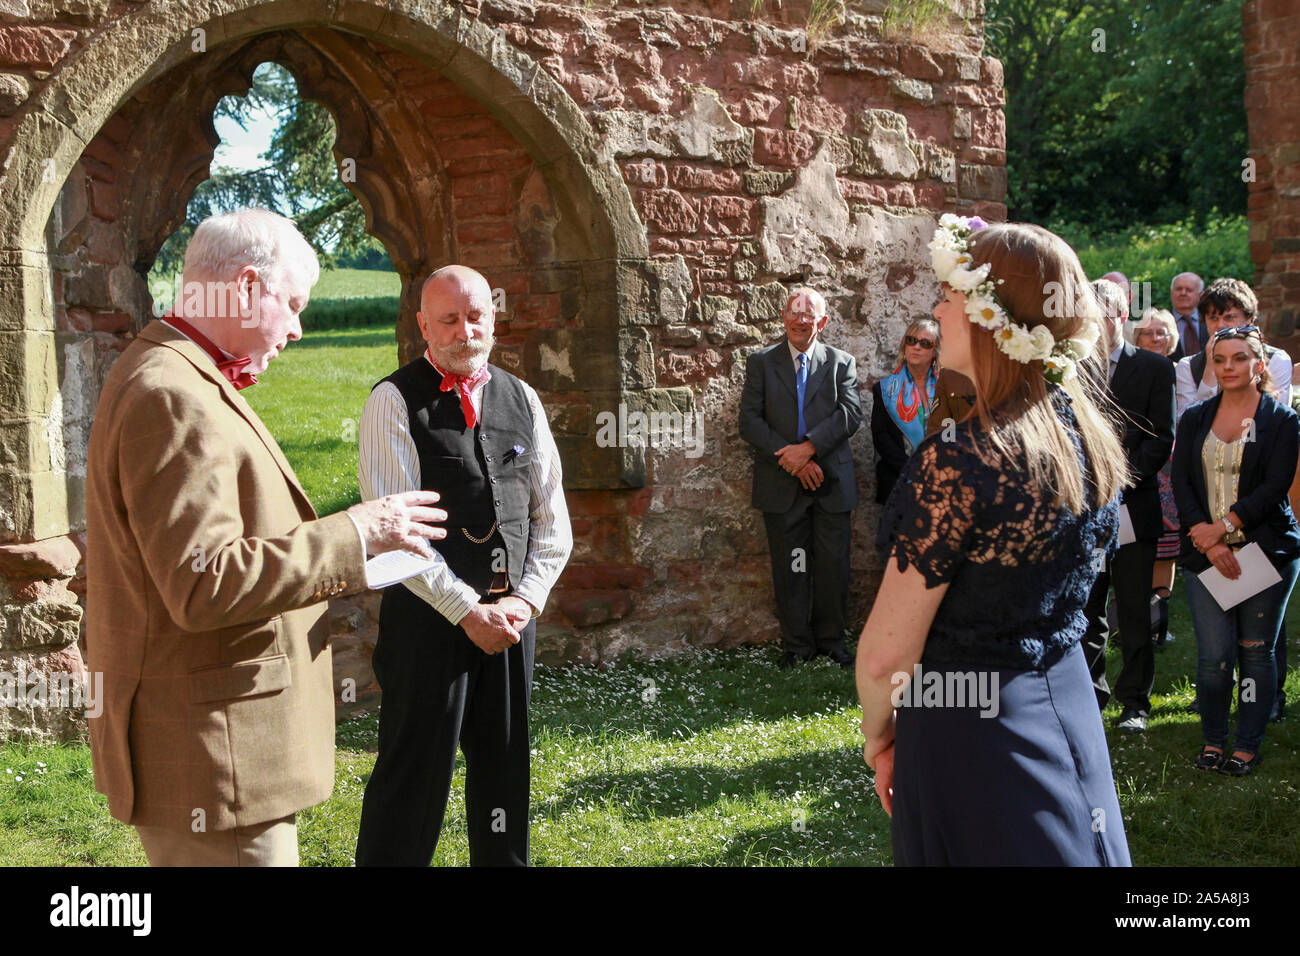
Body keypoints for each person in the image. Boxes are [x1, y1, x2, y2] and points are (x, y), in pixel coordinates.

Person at [85, 209, 447, 866]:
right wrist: (354, 535)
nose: (299, 329)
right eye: (294, 305)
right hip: (216, 770)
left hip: (219, 761)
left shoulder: (178, 371)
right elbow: (203, 584)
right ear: (248, 288)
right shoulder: (172, 393)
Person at [858, 216, 1131, 865]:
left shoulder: (958, 463)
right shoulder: (1083, 439)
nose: (937, 311)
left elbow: (882, 660)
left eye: (950, 297)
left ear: (990, 320)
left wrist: (878, 736)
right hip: (1063, 699)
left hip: (970, 729)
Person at [354, 265, 572, 866]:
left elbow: (551, 520)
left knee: (505, 769)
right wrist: (464, 609)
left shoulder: (522, 398)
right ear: (424, 324)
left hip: (510, 623)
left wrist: (523, 602)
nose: (463, 330)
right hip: (427, 624)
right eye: (448, 319)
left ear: (492, 318)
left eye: (475, 316)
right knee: (413, 773)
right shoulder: (392, 401)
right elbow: (395, 538)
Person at [1172, 326, 1300, 775]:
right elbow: (1182, 481)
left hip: (1266, 551)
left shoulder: (1282, 421)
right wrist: (1205, 538)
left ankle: (1247, 744)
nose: (1229, 367)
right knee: (1213, 657)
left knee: (1254, 648)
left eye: (1240, 358)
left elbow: (1274, 486)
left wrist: (1225, 528)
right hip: (1204, 552)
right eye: (1220, 359)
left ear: (1259, 365)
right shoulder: (1194, 418)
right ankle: (1213, 740)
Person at [739, 287, 862, 669]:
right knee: (792, 566)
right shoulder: (761, 363)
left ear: (821, 323)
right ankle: (797, 646)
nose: (799, 320)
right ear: (782, 316)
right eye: (793, 314)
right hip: (782, 482)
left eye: (808, 316)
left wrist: (807, 449)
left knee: (831, 566)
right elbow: (749, 421)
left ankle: (831, 641)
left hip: (830, 482)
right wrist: (790, 458)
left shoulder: (842, 363)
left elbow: (850, 414)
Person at [1079, 282, 1176, 733]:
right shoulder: (1072, 368)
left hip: (1133, 506)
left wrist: (1120, 480)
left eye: (1100, 315)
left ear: (1120, 317)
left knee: (1135, 608)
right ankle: (1091, 698)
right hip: (1086, 508)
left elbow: (1162, 436)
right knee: (1088, 607)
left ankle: (1135, 702)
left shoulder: (1155, 369)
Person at [1126, 308, 1182, 646]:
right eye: (1148, 333)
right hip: (1141, 467)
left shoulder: (1182, 372)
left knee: (1167, 547)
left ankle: (1160, 622)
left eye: (1161, 332)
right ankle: (1129, 616)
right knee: (1132, 547)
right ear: (1136, 338)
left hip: (1172, 467)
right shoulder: (1126, 372)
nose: (1155, 338)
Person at [1175, 278, 1292, 420]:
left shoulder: (1276, 359)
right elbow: (1186, 423)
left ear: (1249, 319)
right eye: (1213, 318)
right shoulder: (1187, 366)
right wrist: (1210, 370)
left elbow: (1276, 418)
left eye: (1229, 317)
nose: (1220, 325)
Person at [871, 318, 940, 504]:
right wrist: (912, 470)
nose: (916, 347)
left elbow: (953, 432)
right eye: (911, 340)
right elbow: (881, 437)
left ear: (935, 352)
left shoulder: (948, 390)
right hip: (898, 482)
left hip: (941, 481)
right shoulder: (885, 389)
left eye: (925, 343)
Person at [1168, 272, 1206, 363]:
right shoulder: (1161, 321)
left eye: (1189, 290)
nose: (1183, 293)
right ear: (1171, 292)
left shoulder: (1211, 319)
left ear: (1201, 295)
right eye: (1178, 289)